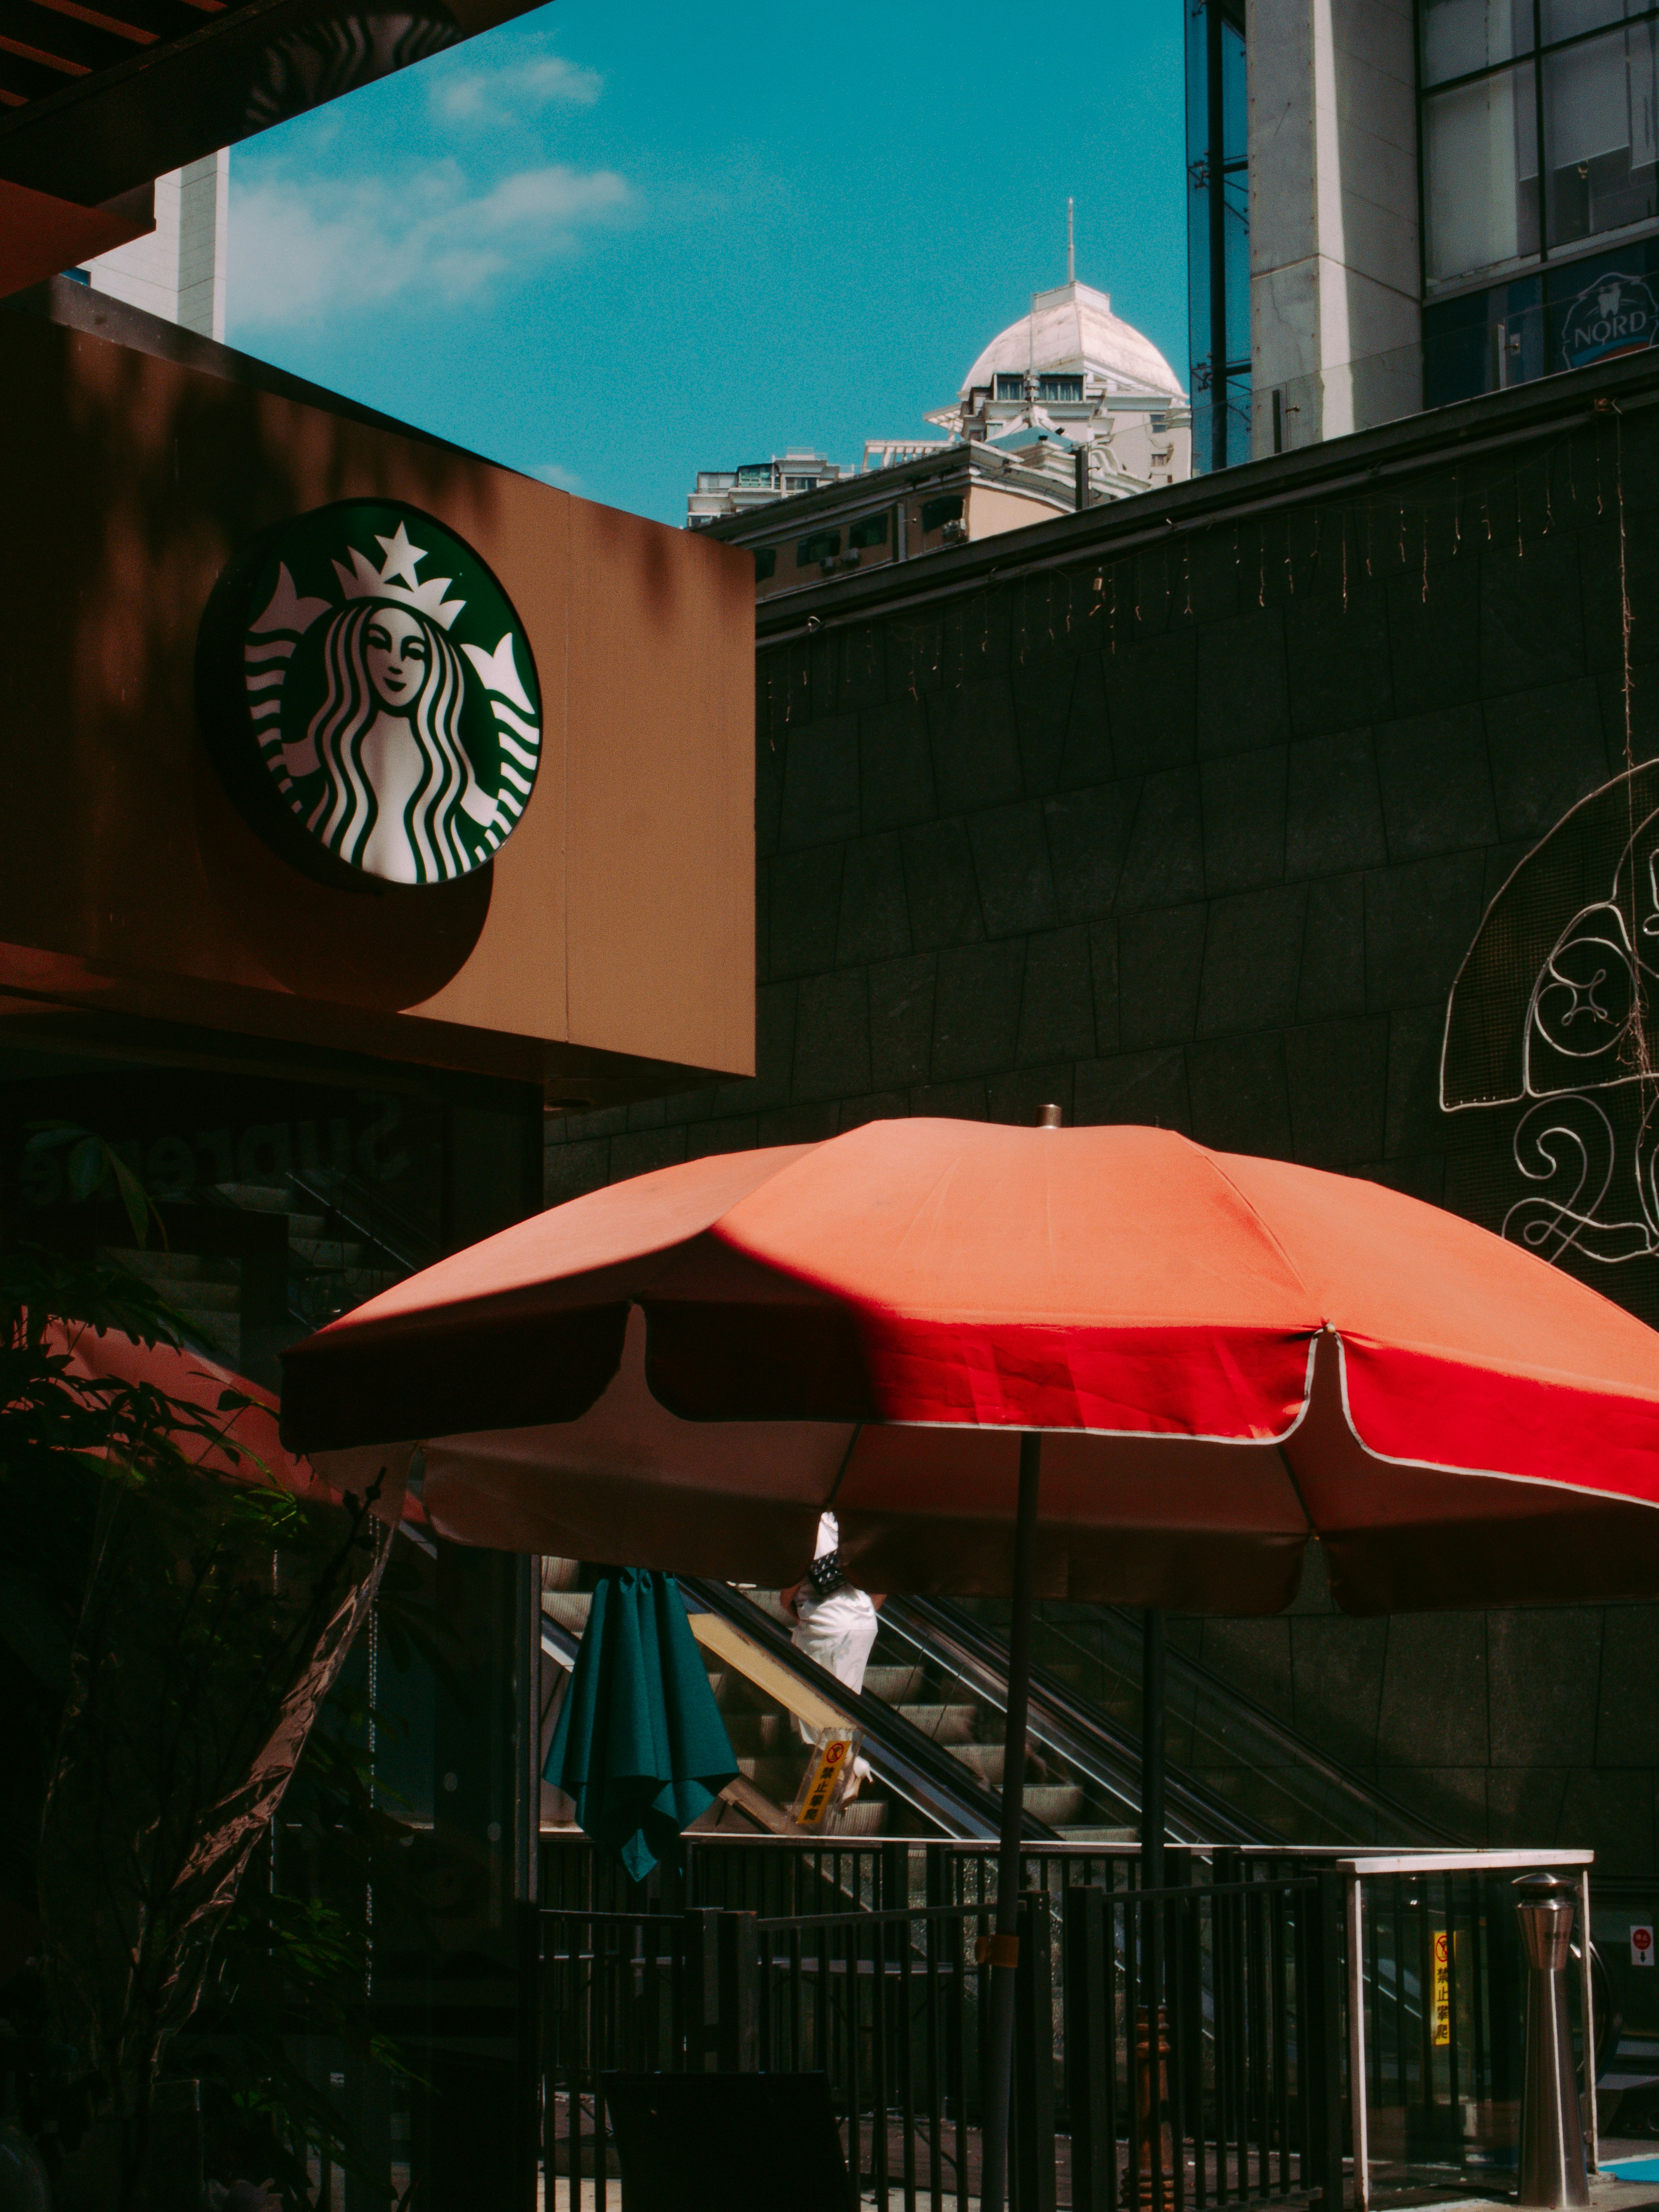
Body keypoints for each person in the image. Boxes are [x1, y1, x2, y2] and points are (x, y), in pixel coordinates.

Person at [779, 1511, 884, 1794]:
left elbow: (787, 1594)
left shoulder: (808, 1529)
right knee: (844, 1704)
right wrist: (860, 1614)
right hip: (862, 1624)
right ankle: (846, 1769)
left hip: (824, 1626)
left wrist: (801, 1614)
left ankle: (844, 1770)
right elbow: (882, 1584)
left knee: (817, 1704)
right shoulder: (857, 1527)